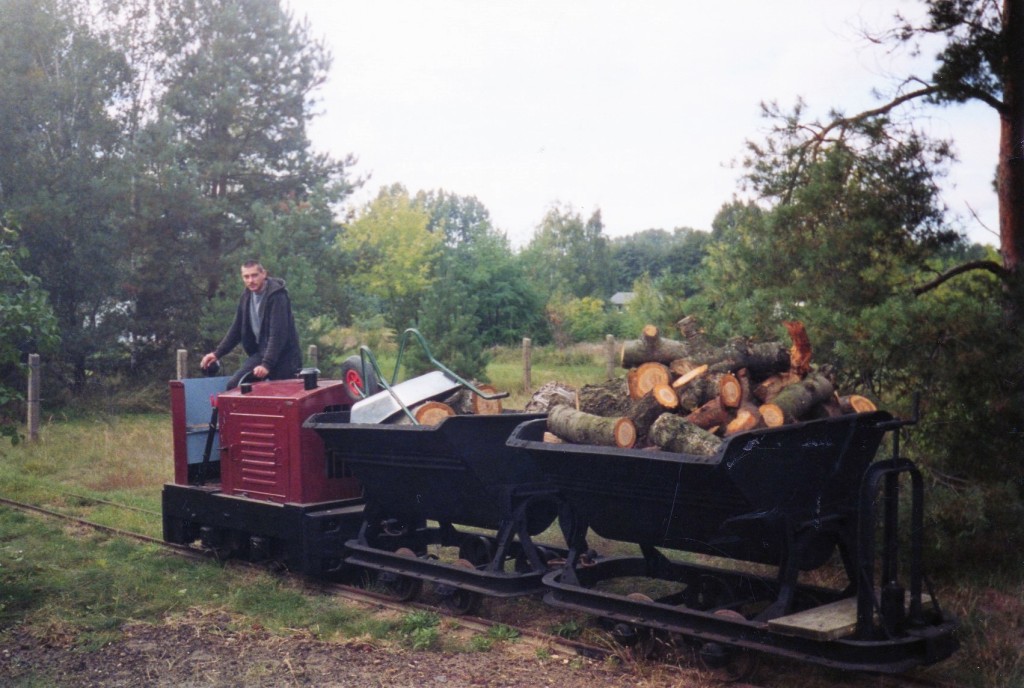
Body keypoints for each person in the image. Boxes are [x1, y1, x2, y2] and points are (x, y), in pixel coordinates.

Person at [201, 260, 302, 389]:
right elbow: (236, 329)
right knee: (235, 386)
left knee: (282, 397)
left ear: (264, 274)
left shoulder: (277, 296)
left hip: (285, 357)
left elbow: (277, 335)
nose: (250, 280)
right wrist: (216, 354)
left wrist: (266, 365)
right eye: (246, 277)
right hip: (263, 353)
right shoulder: (247, 295)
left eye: (254, 275)